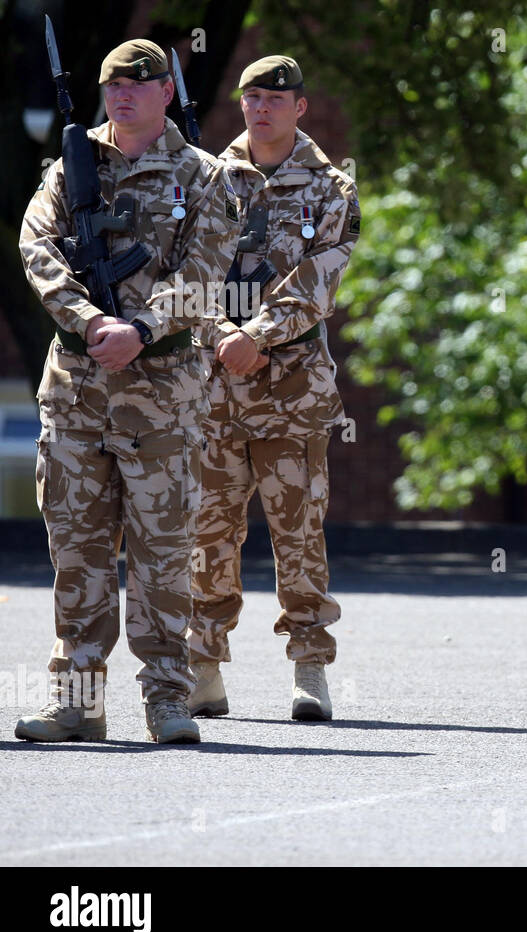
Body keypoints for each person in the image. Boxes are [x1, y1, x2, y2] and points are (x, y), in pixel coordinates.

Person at [16, 39, 239, 743]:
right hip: (78, 390)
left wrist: (141, 328)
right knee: (76, 551)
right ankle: (77, 701)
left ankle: (169, 699)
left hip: (163, 394)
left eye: (140, 83)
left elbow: (206, 273)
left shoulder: (204, 177)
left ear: (165, 92)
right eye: (114, 81)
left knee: (162, 553)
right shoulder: (68, 170)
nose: (124, 93)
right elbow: (36, 247)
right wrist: (89, 321)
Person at [186, 56, 360, 721]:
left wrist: (255, 335)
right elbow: (183, 272)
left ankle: (309, 669)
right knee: (208, 534)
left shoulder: (331, 188)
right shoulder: (204, 180)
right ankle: (204, 666)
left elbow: (320, 280)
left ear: (300, 108)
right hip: (212, 391)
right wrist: (218, 337)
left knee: (299, 533)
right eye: (251, 97)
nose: (260, 108)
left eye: (274, 98)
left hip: (291, 391)